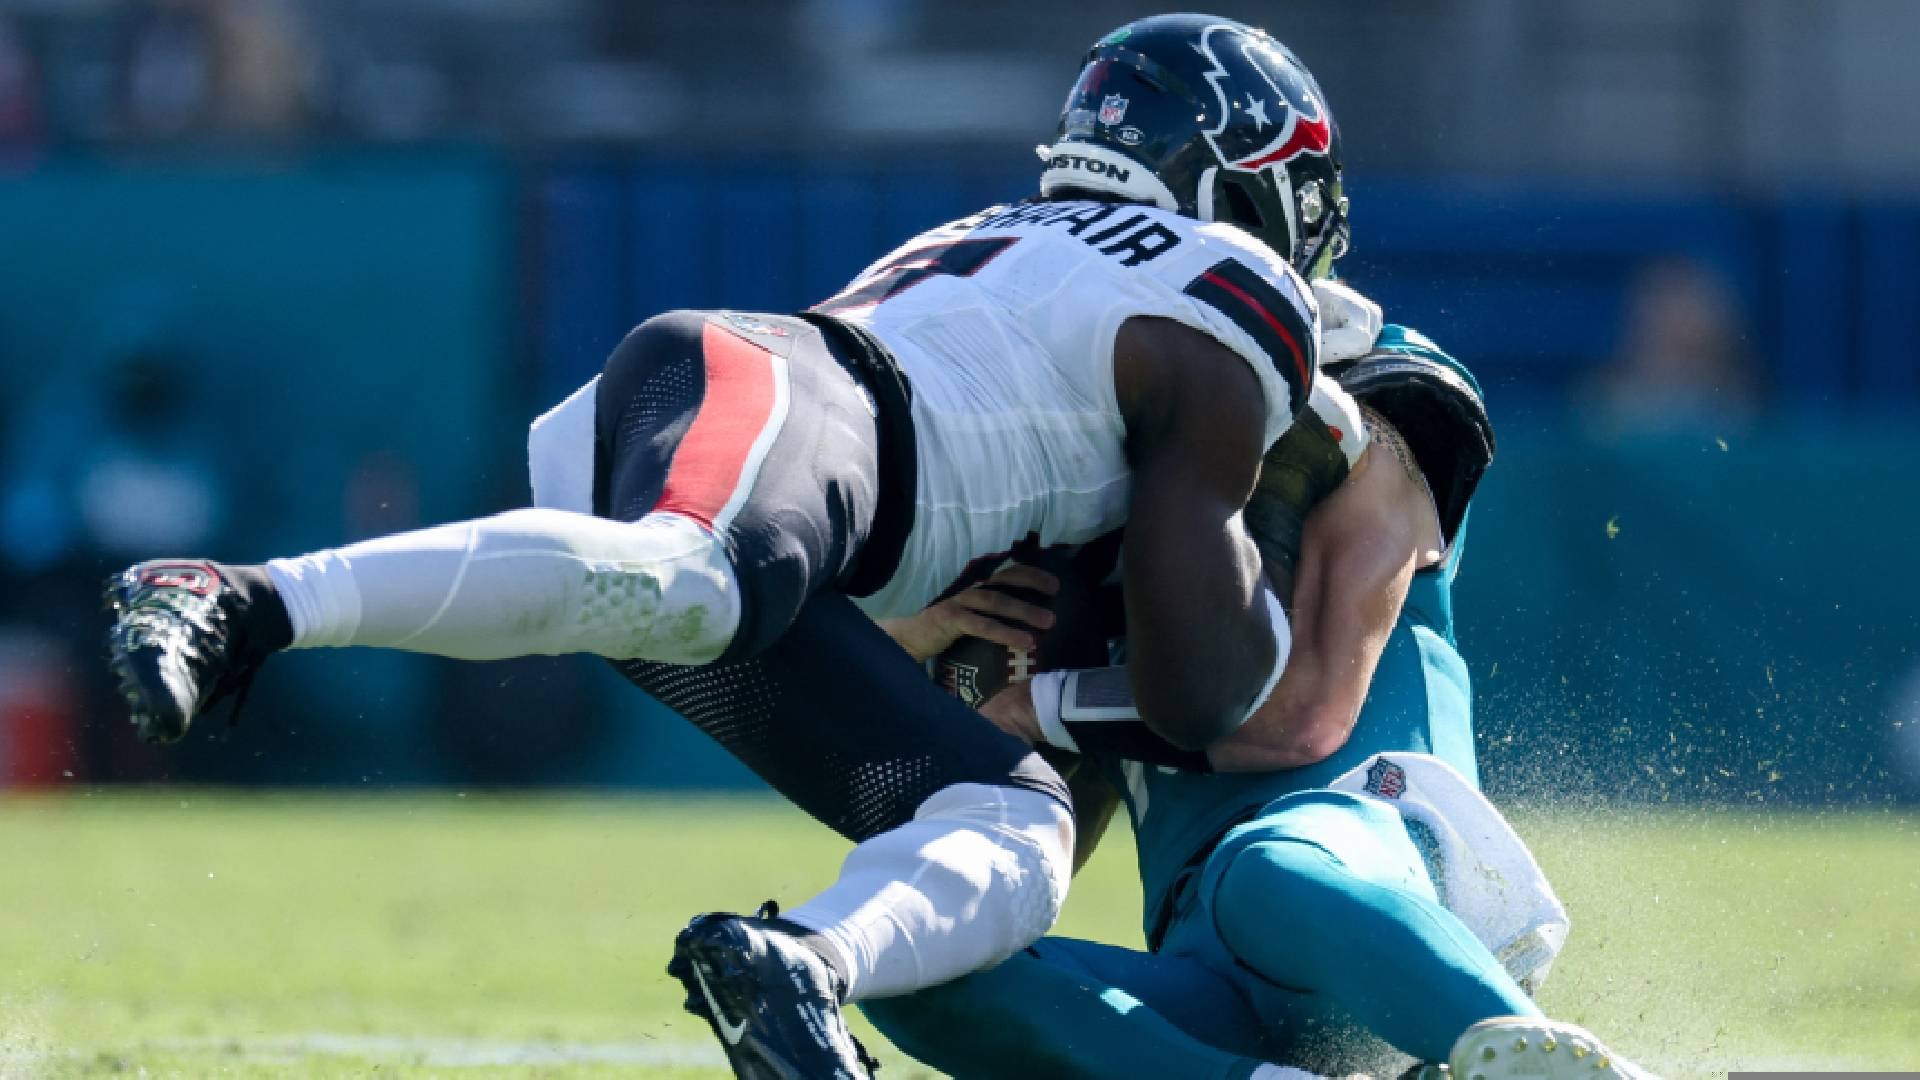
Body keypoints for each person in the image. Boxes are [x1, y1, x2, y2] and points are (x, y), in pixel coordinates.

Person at [103, 13, 1358, 1078]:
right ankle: (236, 598)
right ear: (1245, 182)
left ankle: (799, 965)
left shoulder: (1025, 245)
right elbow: (1203, 687)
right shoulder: (1228, 293)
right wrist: (1287, 498)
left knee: (1012, 824)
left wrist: (1027, 680)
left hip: (781, 468)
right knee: (692, 579)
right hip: (782, 405)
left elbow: (954, 484)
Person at [865, 319, 1662, 1080]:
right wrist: (908, 660)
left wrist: (1037, 706)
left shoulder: (1365, 427)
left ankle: (1520, 1050)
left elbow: (1302, 722)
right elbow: (1031, 869)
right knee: (909, 950)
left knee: (1264, 871)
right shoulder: (1073, 571)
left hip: (1374, 859)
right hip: (1216, 963)